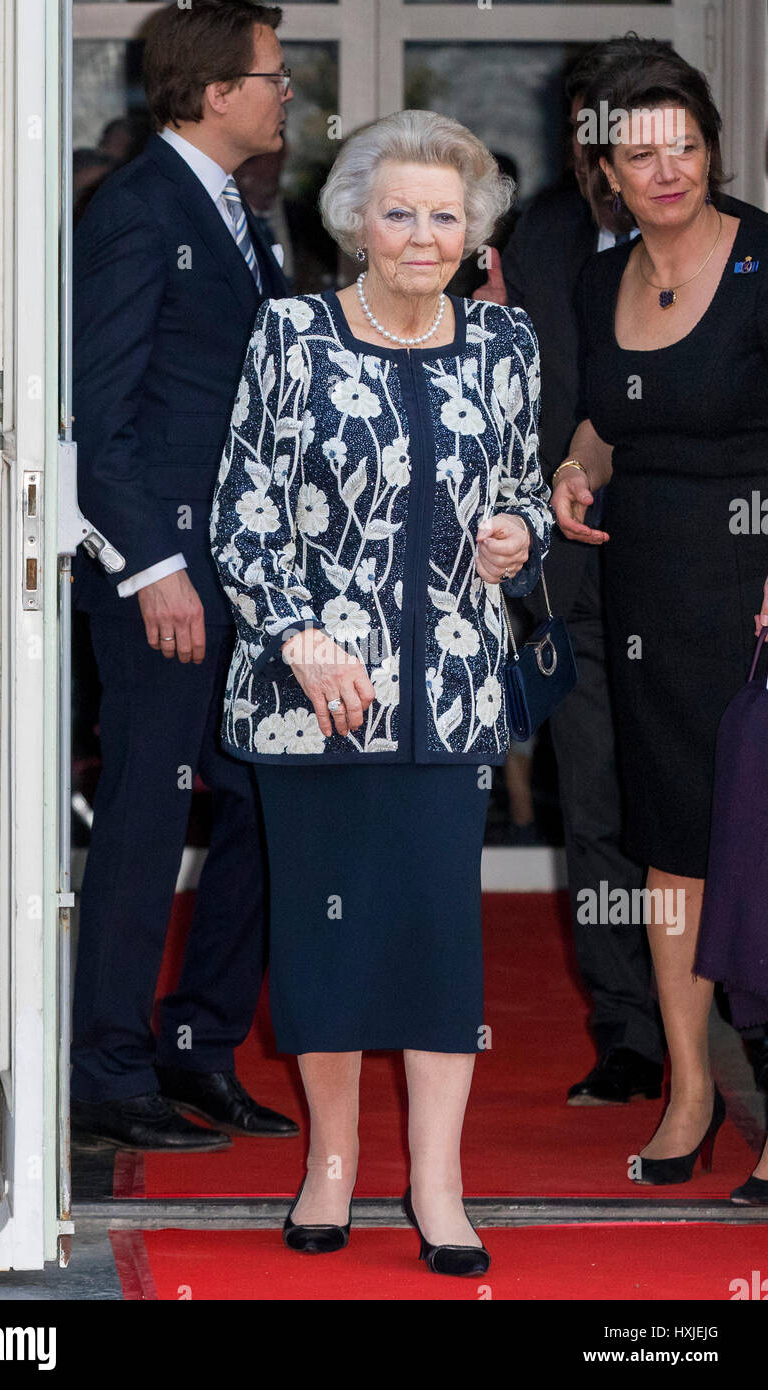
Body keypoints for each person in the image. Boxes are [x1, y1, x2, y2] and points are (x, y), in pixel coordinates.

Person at [210, 109, 552, 1273]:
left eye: (443, 216)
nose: (419, 234)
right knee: (326, 946)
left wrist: (518, 531)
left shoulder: (505, 346)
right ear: (355, 220)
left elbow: (526, 493)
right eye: (396, 212)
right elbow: (243, 508)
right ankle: (333, 1165)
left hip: (449, 695)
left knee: (437, 945)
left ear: (473, 231)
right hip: (319, 698)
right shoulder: (293, 333)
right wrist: (301, 637)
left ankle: (441, 1184)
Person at [69, 0, 299, 1150]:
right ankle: (104, 1072)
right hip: (163, 578)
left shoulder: (232, 214)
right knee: (145, 821)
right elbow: (95, 417)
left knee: (262, 801)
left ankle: (198, 1047)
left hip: (240, 576)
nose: (285, 90)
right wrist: (154, 567)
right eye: (270, 73)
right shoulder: (139, 208)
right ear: (215, 92)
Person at [552, 37, 768, 1197]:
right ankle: (689, 1089)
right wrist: (568, 475)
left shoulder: (763, 260)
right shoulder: (598, 281)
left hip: (756, 590)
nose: (667, 170)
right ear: (606, 172)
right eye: (640, 154)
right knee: (669, 849)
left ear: (709, 148)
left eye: (683, 145)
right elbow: (605, 421)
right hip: (648, 588)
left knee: (759, 843)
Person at [476, 40, 666, 1106]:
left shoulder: (732, 245)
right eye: (598, 124)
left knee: (703, 803)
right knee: (591, 803)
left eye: (637, 125)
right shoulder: (534, 240)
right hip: (572, 586)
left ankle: (731, 1015)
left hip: (700, 571)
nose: (613, 149)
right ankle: (627, 1028)